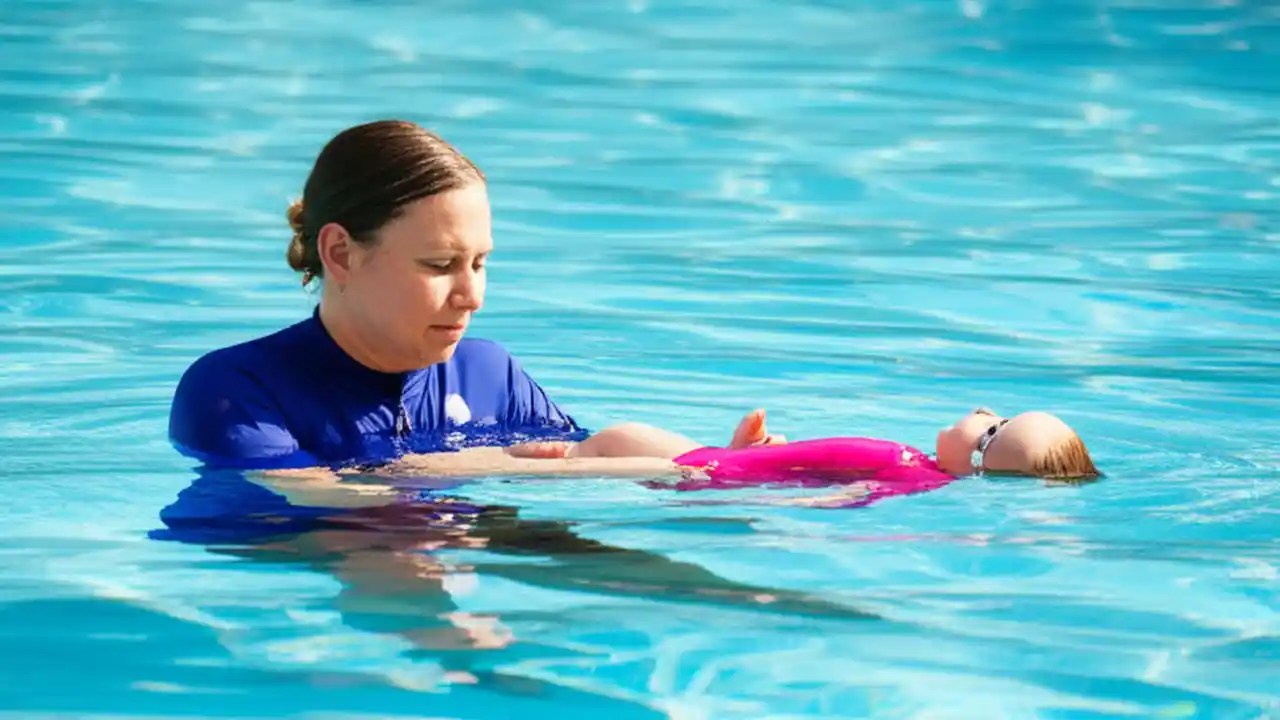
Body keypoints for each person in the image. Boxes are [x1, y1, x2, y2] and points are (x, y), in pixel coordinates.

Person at [168, 120, 585, 471]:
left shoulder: (490, 375)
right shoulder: (238, 391)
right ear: (340, 254)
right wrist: (490, 462)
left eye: (478, 263)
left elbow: (589, 465)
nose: (472, 298)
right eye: (440, 265)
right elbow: (316, 507)